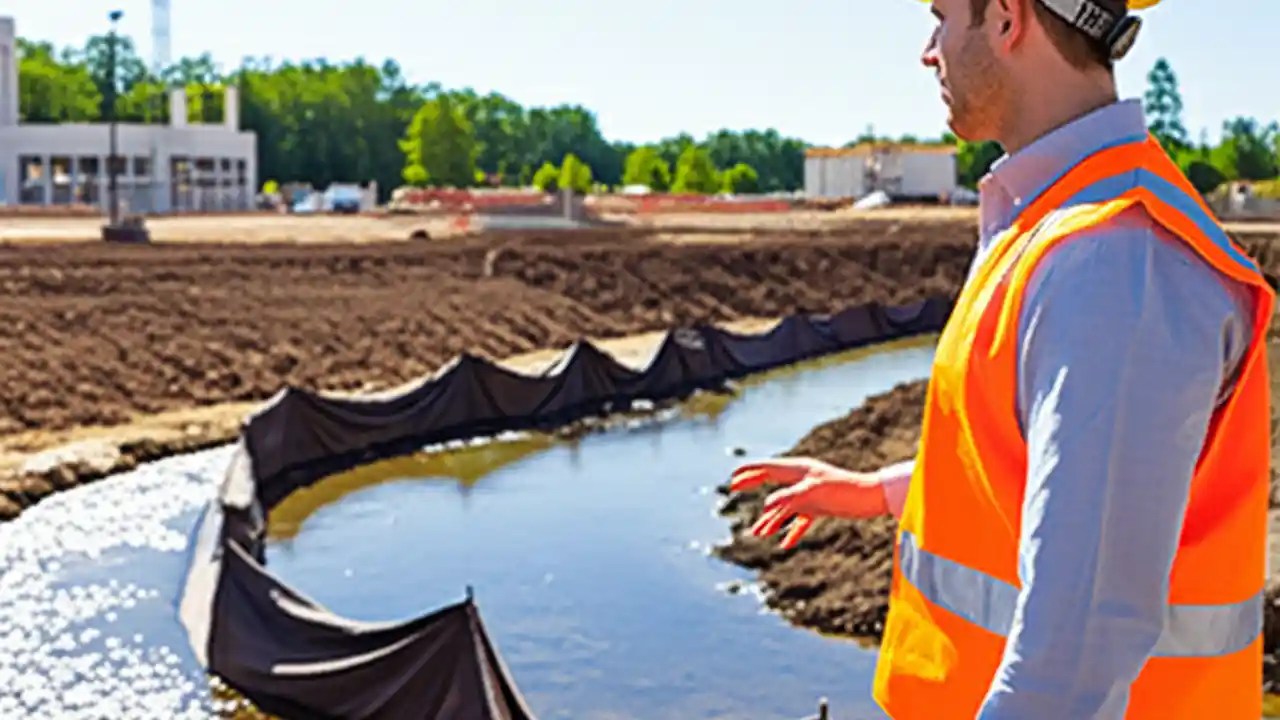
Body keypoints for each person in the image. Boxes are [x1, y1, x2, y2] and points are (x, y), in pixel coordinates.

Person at [727, 1, 1274, 718]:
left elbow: (1072, 665)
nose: (930, 50)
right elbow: (1065, 474)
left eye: (944, 16)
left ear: (1009, 17)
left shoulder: (1113, 262)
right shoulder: (1065, 225)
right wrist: (886, 491)